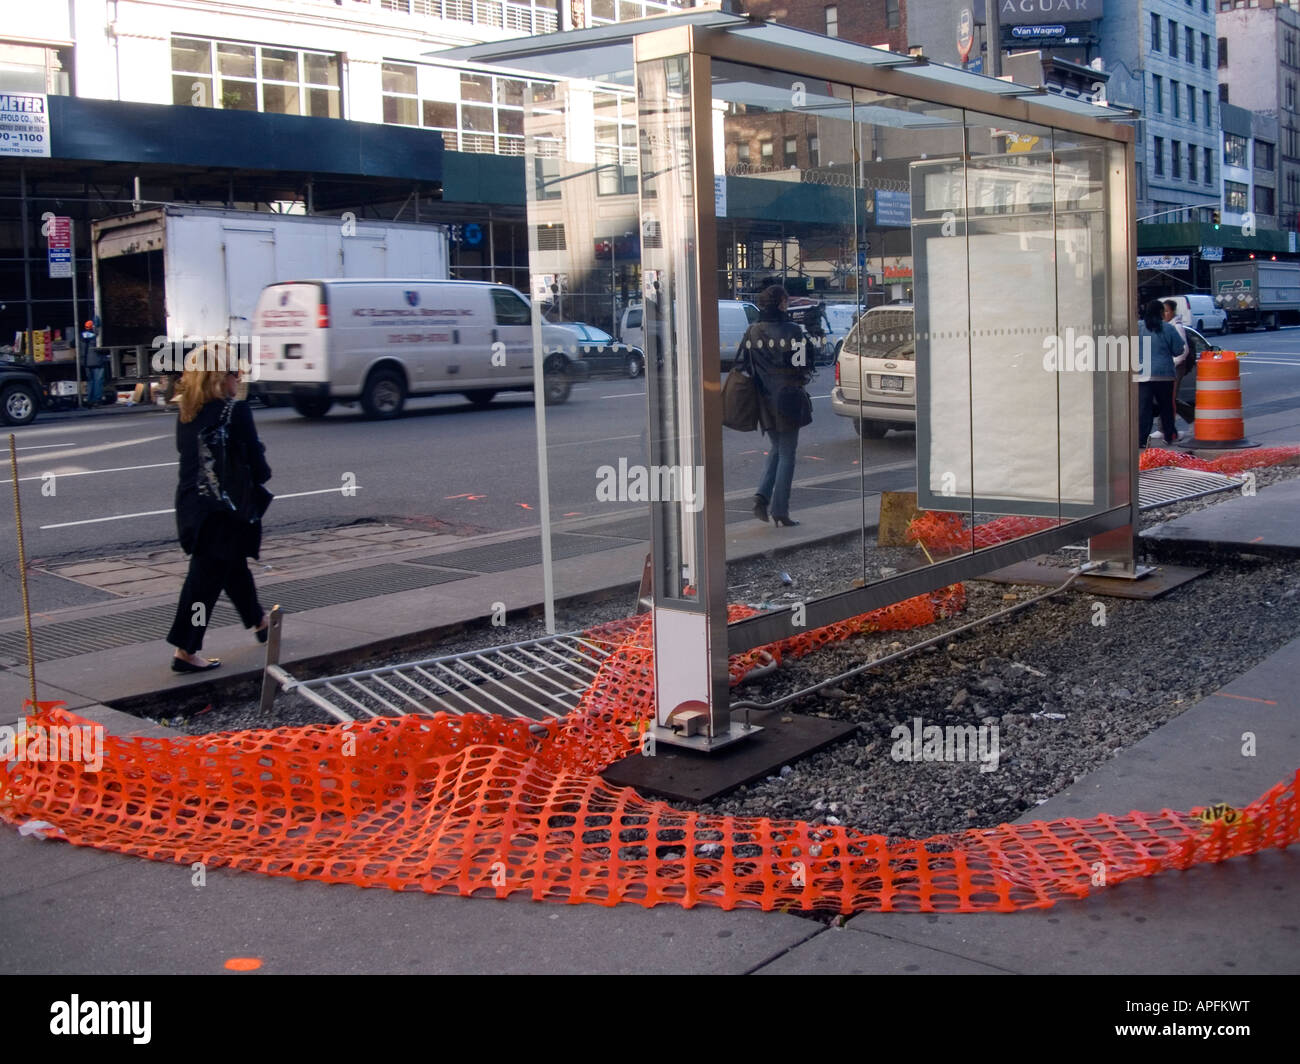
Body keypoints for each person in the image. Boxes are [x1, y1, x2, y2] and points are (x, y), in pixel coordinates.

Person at [166, 356, 273, 672]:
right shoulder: (235, 411)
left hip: (191, 505)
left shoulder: (187, 412)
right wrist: (259, 471)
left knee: (231, 564)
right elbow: (257, 463)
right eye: (234, 373)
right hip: (223, 509)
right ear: (218, 377)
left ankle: (259, 620)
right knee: (203, 583)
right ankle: (186, 651)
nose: (239, 378)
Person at [741, 284, 812, 526]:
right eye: (786, 300)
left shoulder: (752, 330)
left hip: (763, 399)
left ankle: (762, 497)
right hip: (788, 398)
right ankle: (780, 509)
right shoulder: (792, 330)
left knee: (777, 448)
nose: (788, 304)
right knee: (788, 453)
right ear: (781, 303)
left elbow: (745, 364)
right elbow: (802, 364)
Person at [1137, 300, 1183, 449]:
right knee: (1166, 406)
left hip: (1142, 373)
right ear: (1160, 312)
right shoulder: (1168, 328)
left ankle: (1141, 439)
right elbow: (1179, 350)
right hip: (1164, 374)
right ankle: (1168, 436)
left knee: (1144, 407)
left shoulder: (1137, 327)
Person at [1162, 299, 1192, 436]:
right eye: (1163, 311)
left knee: (1170, 398)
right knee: (1166, 398)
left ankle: (1170, 429)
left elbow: (1183, 350)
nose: (1164, 314)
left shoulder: (1177, 327)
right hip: (1168, 367)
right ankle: (1164, 428)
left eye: (1167, 311)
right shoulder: (1165, 325)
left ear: (1173, 311)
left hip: (1176, 366)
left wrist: (1172, 362)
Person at [82, 321, 105, 406]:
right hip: (97, 361)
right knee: (98, 381)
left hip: (87, 362)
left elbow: (72, 343)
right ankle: (97, 400)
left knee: (90, 381)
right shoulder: (96, 335)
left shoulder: (83, 335)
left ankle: (89, 399)